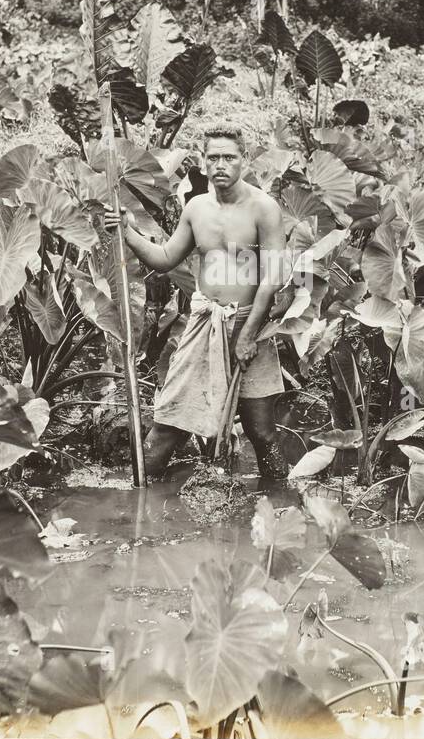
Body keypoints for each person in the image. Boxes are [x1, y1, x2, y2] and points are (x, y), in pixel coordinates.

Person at [103, 123, 290, 482]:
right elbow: (164, 258)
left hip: (250, 324)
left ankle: (280, 500)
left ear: (244, 159)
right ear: (203, 161)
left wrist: (248, 335)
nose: (220, 164)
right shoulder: (196, 208)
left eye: (229, 157)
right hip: (204, 324)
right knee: (168, 426)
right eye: (213, 157)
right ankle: (137, 499)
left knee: (262, 432)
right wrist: (127, 232)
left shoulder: (264, 209)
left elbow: (273, 278)